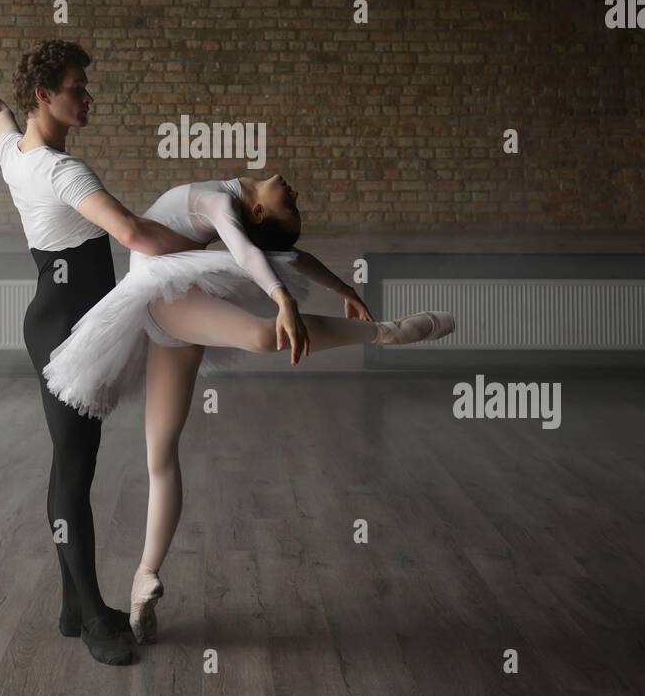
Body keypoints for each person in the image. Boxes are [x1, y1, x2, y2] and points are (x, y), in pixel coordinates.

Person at [41, 173, 455, 643]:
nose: (295, 194)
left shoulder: (223, 201)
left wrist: (333, 291)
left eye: (289, 207)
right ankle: (144, 580)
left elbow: (275, 254)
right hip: (166, 302)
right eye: (294, 205)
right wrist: (312, 293)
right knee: (173, 435)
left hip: (173, 304)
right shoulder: (225, 200)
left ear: (258, 213)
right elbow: (257, 252)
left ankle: (143, 581)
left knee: (179, 432)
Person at [0, 39, 204, 668]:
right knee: (72, 468)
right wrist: (213, 243)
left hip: (59, 318)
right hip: (66, 332)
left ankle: (73, 606)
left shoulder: (17, 153)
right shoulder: (67, 173)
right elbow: (136, 233)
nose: (87, 97)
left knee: (77, 464)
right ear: (46, 95)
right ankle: (92, 615)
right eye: (75, 88)